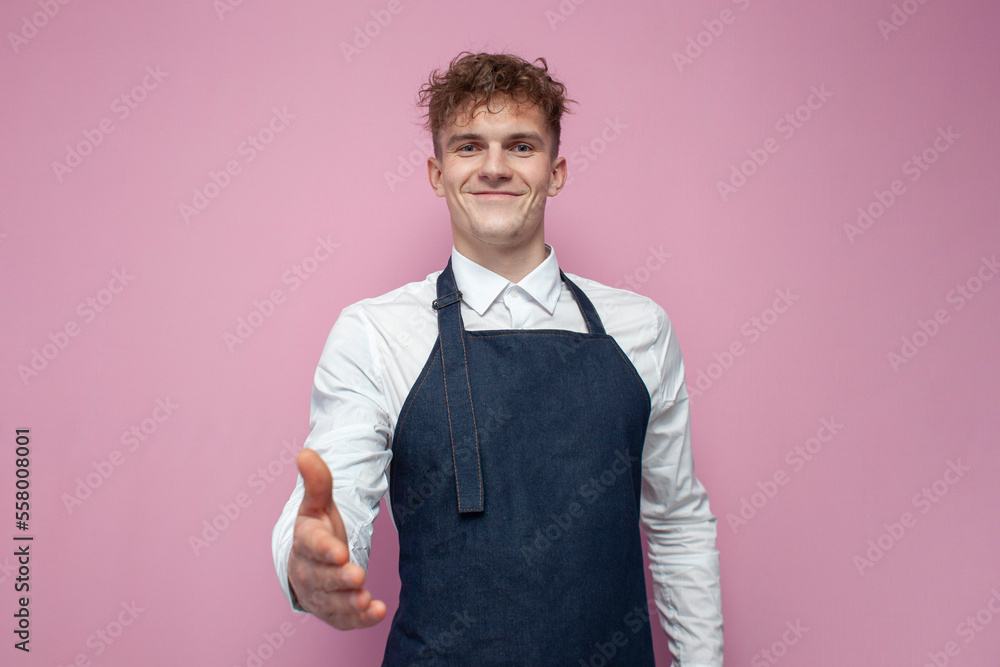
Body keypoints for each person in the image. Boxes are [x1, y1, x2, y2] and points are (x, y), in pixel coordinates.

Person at [272, 51, 723, 665]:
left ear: (556, 171)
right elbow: (336, 498)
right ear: (436, 172)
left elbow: (677, 525)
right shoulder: (374, 333)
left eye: (520, 146)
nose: (493, 167)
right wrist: (307, 562)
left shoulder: (641, 329)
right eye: (467, 147)